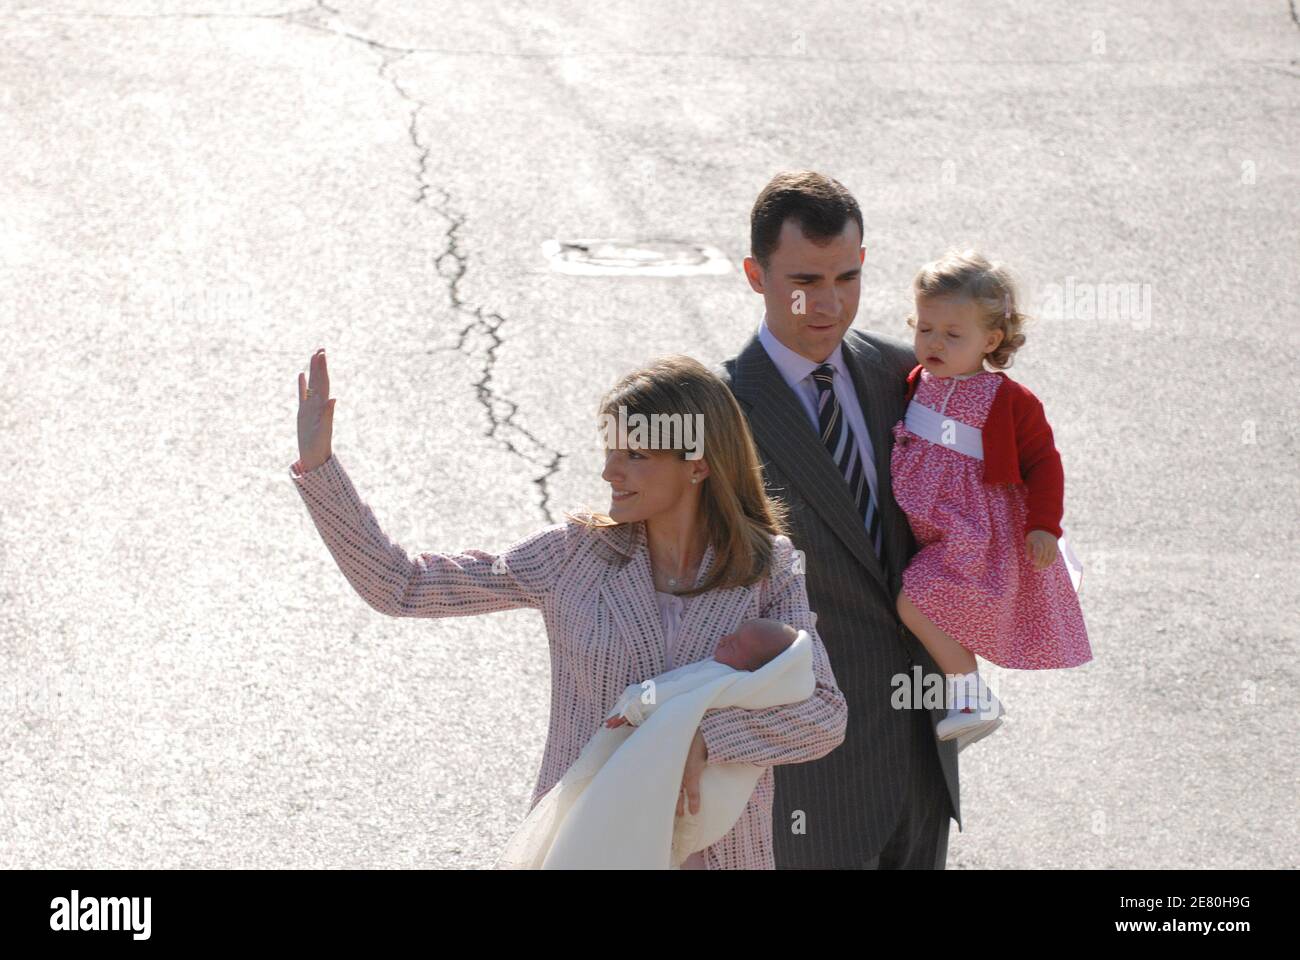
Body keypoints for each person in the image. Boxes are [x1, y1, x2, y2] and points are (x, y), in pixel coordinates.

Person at [290, 348, 847, 869]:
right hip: (586, 846)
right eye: (609, 449)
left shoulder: (766, 569)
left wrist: (706, 740)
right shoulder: (572, 556)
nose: (610, 470)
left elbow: (824, 716)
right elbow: (403, 585)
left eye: (635, 453)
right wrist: (320, 469)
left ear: (697, 465)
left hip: (716, 855)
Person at [712, 170, 958, 869]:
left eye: (846, 277)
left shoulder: (909, 376)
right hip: (809, 780)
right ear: (755, 275)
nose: (828, 303)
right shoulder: (723, 414)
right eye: (805, 281)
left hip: (922, 757)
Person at [891, 250, 1093, 747]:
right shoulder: (917, 381)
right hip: (930, 527)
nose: (934, 343)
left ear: (991, 340)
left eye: (952, 335)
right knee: (925, 601)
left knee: (915, 601)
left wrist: (1044, 525)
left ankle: (971, 695)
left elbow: (1044, 461)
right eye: (925, 328)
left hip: (974, 532)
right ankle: (963, 694)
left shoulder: (1007, 400)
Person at [497, 619, 812, 869]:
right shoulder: (748, 686)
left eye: (735, 644)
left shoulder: (720, 677)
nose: (723, 639)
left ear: (752, 667)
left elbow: (670, 692)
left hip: (689, 794)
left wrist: (633, 709)